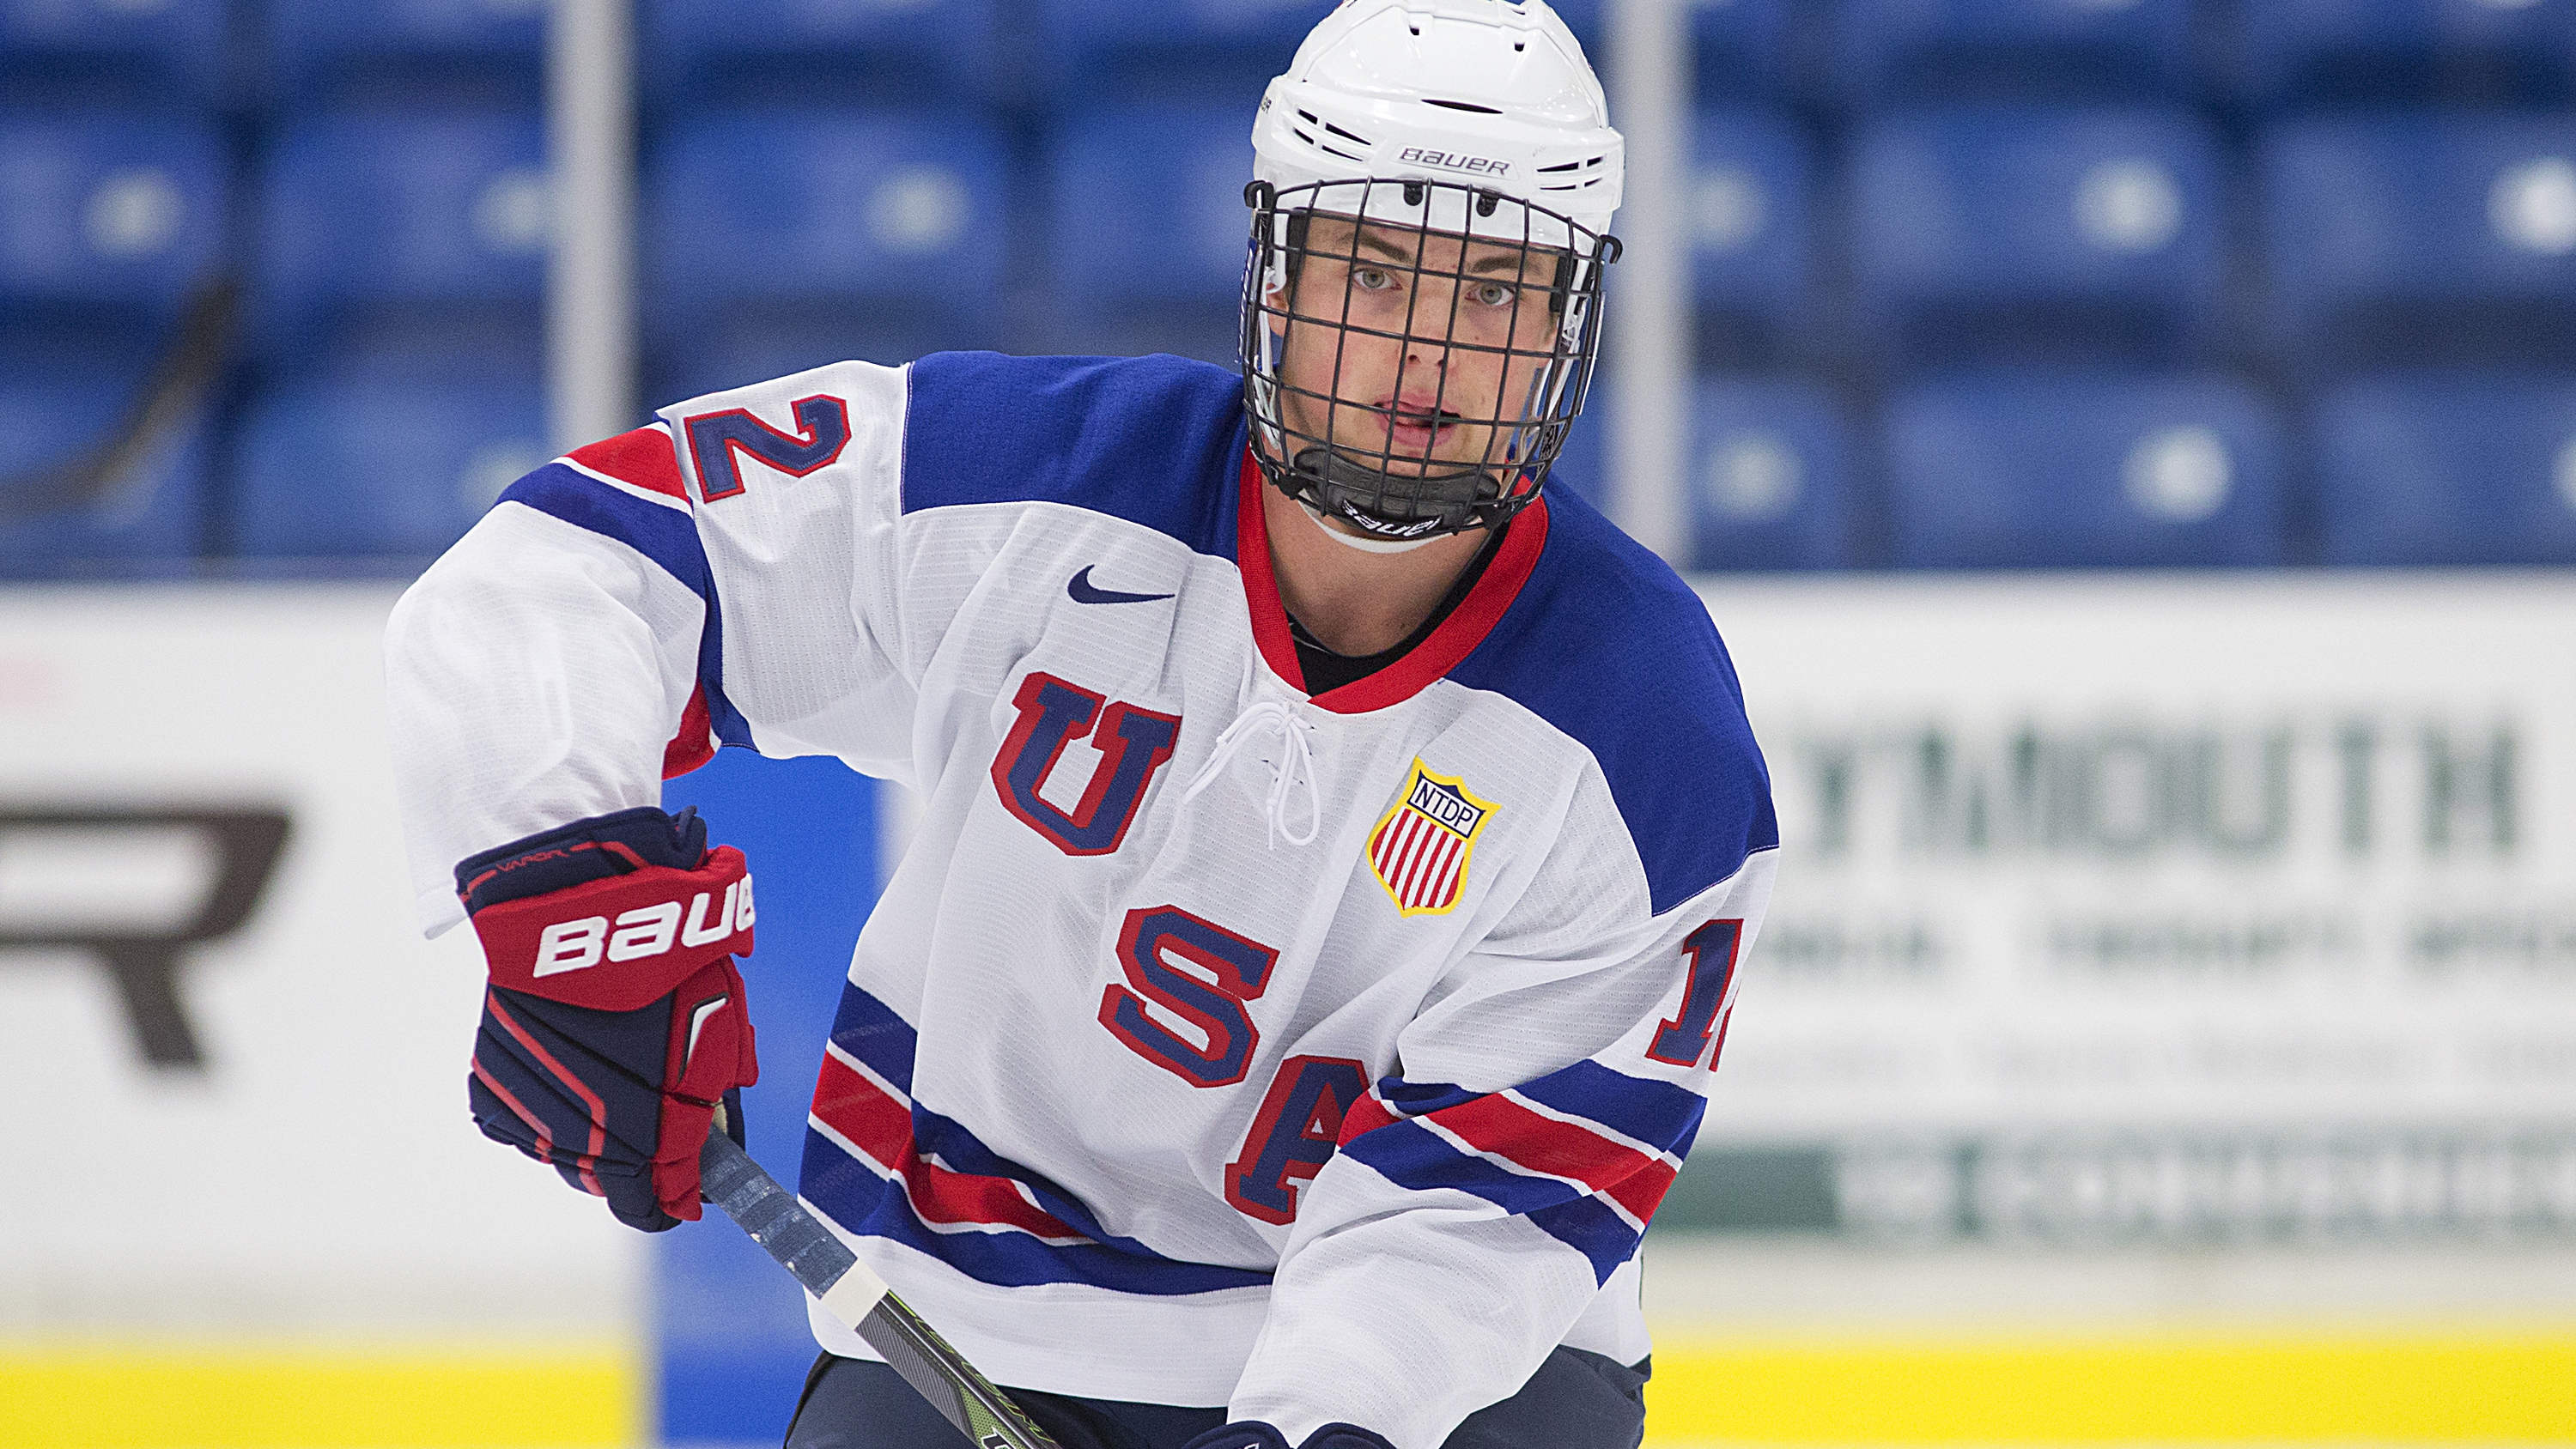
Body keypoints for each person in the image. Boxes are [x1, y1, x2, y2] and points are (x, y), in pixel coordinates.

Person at [387, 3, 1777, 1446]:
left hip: (1462, 1378)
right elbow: (563, 568)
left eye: (1496, 290)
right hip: (968, 1315)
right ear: (1279, 276)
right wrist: (564, 893)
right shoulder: (1018, 490)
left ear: (1570, 322)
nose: (1427, 352)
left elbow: (1480, 1211)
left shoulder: (1647, 734)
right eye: (1375, 269)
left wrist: (1320, 1427)